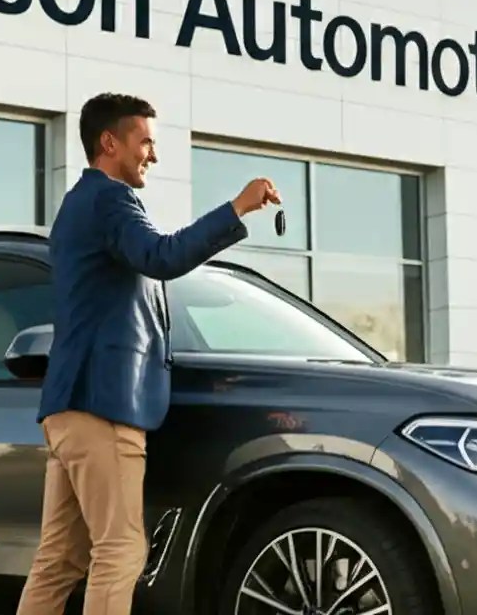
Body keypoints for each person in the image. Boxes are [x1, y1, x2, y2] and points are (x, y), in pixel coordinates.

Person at [15, 92, 280, 615]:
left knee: (60, 560)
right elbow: (161, 256)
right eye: (146, 143)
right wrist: (237, 208)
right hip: (103, 406)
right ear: (109, 142)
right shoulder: (109, 201)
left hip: (70, 406)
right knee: (120, 550)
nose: (152, 156)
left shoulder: (78, 205)